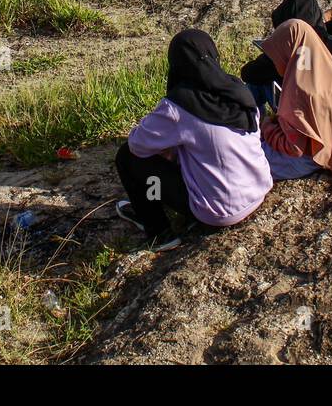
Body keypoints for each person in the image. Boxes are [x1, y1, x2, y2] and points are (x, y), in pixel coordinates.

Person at [115, 29, 272, 251]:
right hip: (259, 188)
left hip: (220, 212)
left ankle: (159, 231)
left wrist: (166, 146)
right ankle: (161, 202)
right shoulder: (236, 89)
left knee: (127, 158)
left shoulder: (179, 106)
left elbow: (137, 145)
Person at [257, 19, 332, 179]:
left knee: (244, 159)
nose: (274, 59)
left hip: (307, 160)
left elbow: (294, 148)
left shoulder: (299, 90)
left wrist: (266, 127)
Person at [240, 0, 332, 111]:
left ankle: (252, 124)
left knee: (256, 84)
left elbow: (249, 73)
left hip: (298, 115)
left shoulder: (290, 49)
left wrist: (273, 55)